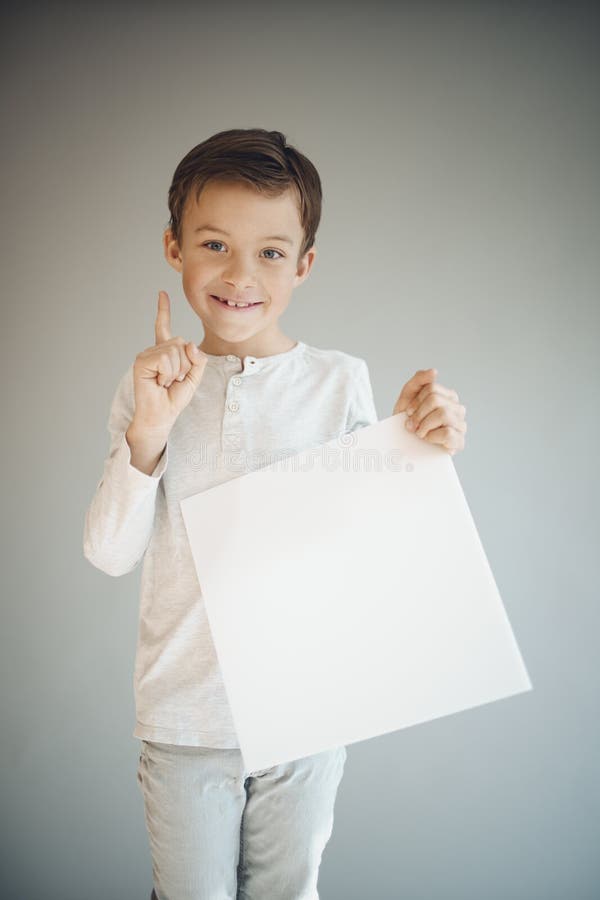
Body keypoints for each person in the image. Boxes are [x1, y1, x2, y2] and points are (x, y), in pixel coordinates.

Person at [83, 127, 467, 900]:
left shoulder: (337, 382)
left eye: (269, 252)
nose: (239, 274)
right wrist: (149, 434)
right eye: (215, 243)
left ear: (304, 265)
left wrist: (422, 451)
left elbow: (380, 551)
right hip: (185, 717)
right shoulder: (148, 387)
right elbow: (109, 553)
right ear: (174, 248)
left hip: (307, 710)